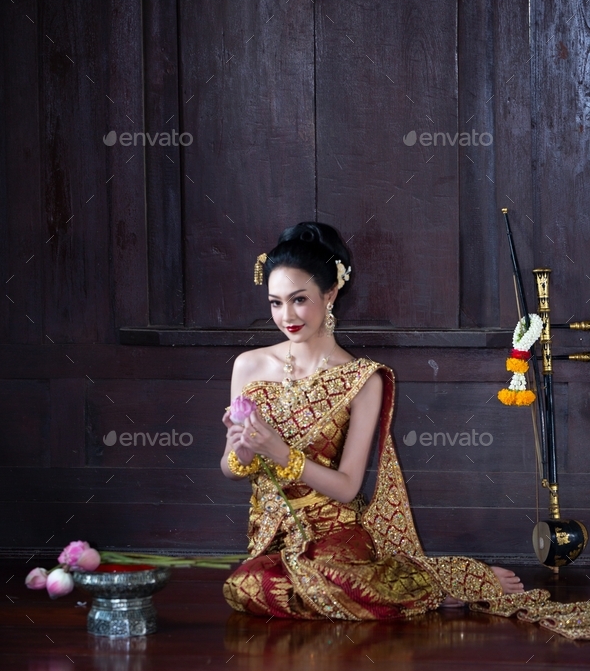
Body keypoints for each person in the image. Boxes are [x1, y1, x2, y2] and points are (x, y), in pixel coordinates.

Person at [220, 222, 589, 639]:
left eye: (299, 300)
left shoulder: (363, 379)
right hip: (272, 536)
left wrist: (281, 454)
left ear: (330, 294)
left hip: (335, 533)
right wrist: (245, 454)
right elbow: (232, 469)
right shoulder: (248, 366)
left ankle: (430, 584)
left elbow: (346, 488)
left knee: (317, 578)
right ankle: (415, 590)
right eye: (275, 302)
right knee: (245, 587)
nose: (286, 316)